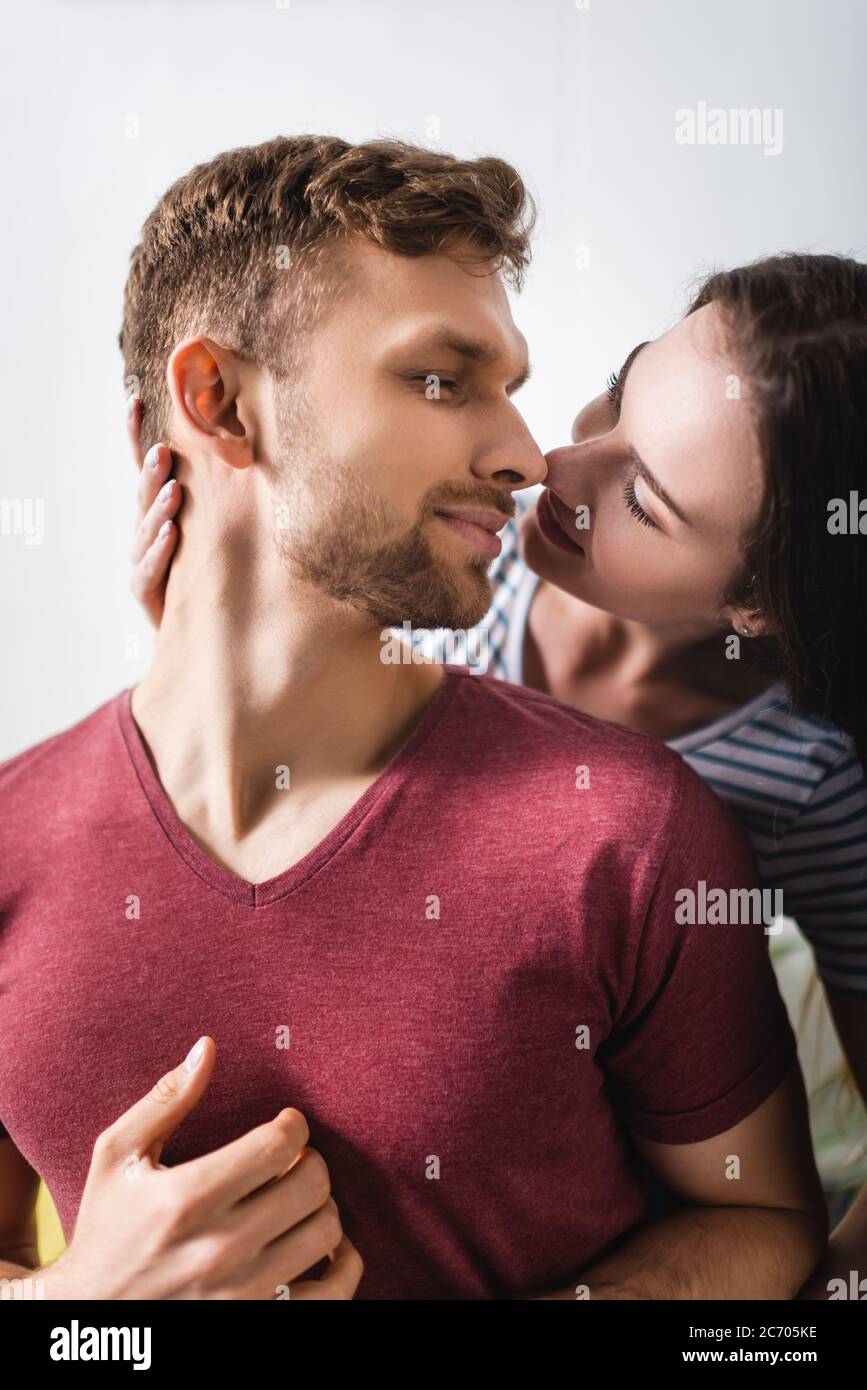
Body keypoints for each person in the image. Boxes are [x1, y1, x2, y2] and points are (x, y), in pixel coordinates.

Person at [0, 135, 826, 1301]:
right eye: (443, 378)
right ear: (217, 400)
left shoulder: (633, 830)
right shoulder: (13, 839)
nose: (531, 456)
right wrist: (80, 1304)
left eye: (514, 388)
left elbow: (765, 1217)